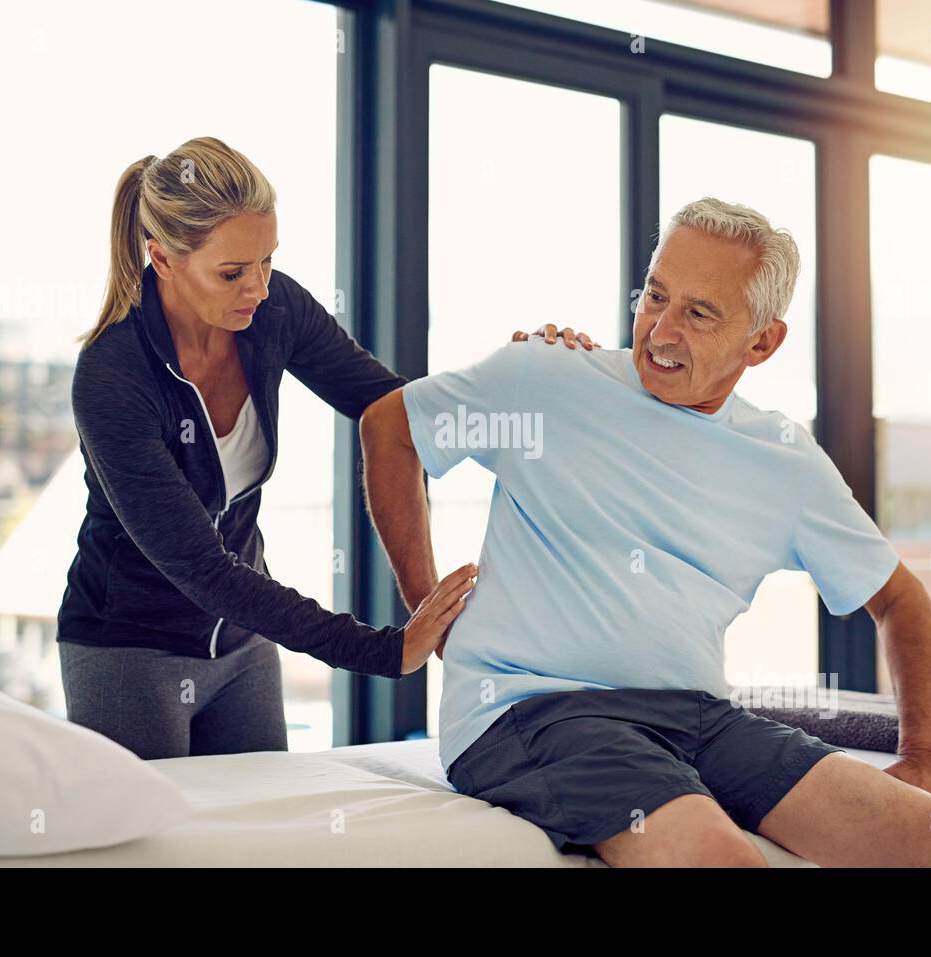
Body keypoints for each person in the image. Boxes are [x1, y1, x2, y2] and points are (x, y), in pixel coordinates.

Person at [359, 196, 931, 867]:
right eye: (655, 294)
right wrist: (428, 608)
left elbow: (901, 601)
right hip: (532, 709)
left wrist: (923, 754)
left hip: (699, 718)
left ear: (762, 340)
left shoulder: (783, 460)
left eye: (699, 312)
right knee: (724, 862)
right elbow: (390, 428)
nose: (660, 330)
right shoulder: (546, 377)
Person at [57, 135, 595, 760]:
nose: (257, 289)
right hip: (127, 649)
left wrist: (522, 379)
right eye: (232, 273)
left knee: (262, 844)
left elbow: (393, 408)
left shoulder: (272, 308)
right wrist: (383, 650)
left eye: (266, 261)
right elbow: (202, 569)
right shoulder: (112, 376)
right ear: (163, 258)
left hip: (241, 644)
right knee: (153, 850)